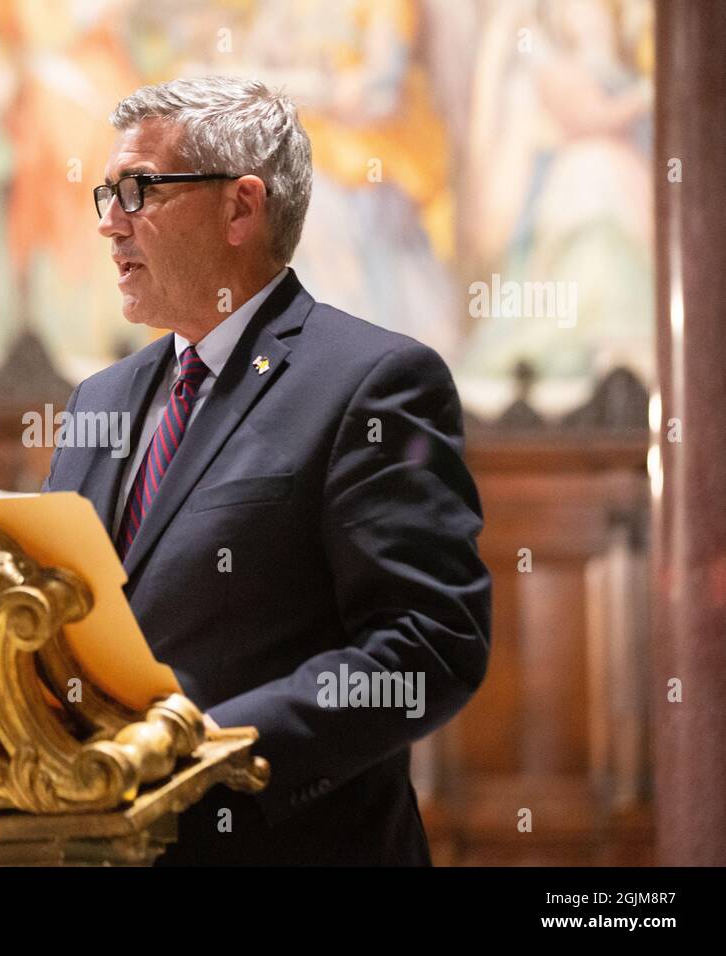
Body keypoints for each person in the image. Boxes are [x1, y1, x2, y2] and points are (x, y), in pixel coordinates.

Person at [41, 76, 491, 865]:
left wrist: (207, 752)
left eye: (139, 190)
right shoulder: (98, 400)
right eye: (106, 194)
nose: (110, 222)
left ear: (241, 208)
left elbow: (428, 644)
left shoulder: (372, 382)